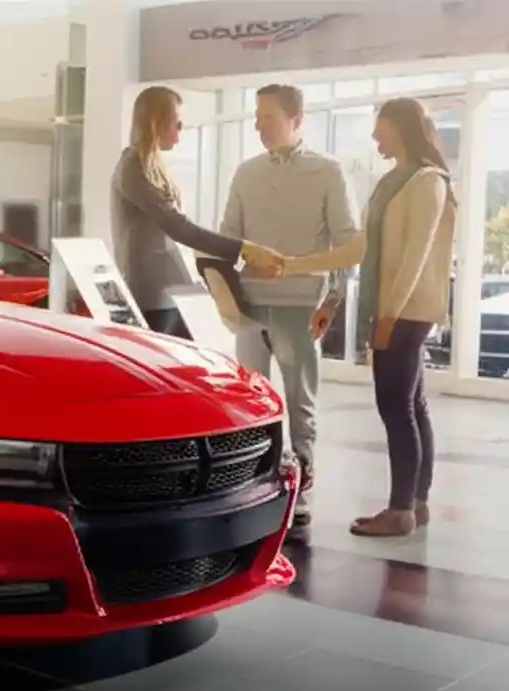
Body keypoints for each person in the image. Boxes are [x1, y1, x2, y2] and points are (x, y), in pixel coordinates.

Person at [268, 97, 457, 537]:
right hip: (396, 309)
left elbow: (414, 257)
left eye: (380, 127)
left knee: (396, 409)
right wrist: (313, 285)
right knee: (412, 404)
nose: (374, 136)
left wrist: (388, 317)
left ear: (401, 127)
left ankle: (400, 509)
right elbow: (361, 251)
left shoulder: (428, 182)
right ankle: (416, 500)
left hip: (405, 311)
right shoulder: (392, 182)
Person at [219, 84, 360, 526]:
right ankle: (251, 481)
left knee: (300, 402)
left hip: (302, 305)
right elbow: (227, 238)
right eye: (256, 116)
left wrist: (333, 301)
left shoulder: (329, 173)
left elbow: (347, 243)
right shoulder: (245, 173)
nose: (259, 125)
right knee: (247, 399)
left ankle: (302, 486)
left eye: (268, 117)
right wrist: (222, 291)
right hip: (249, 306)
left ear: (297, 120)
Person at [111, 85, 283, 338]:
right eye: (176, 124)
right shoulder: (132, 166)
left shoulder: (154, 167)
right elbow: (178, 227)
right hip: (147, 297)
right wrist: (245, 250)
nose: (180, 133)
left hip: (170, 293)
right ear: (156, 121)